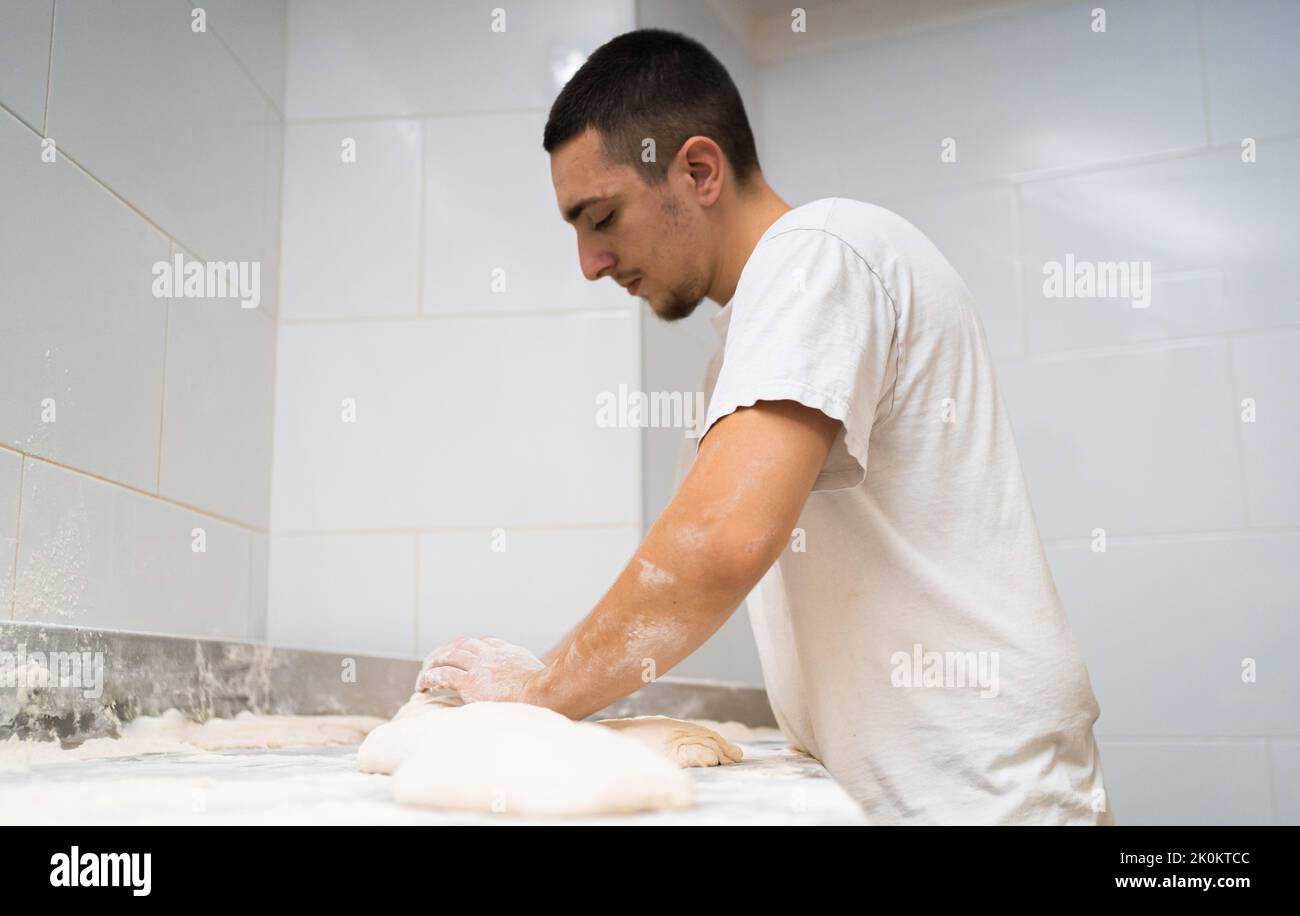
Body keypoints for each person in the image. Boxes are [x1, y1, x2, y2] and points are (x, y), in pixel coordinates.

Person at [417, 28, 1112, 825]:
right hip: (930, 789)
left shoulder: (818, 254)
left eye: (600, 216)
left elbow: (720, 540)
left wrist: (537, 694)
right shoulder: (757, 334)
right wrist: (543, 683)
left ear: (700, 170)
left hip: (980, 796)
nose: (590, 262)